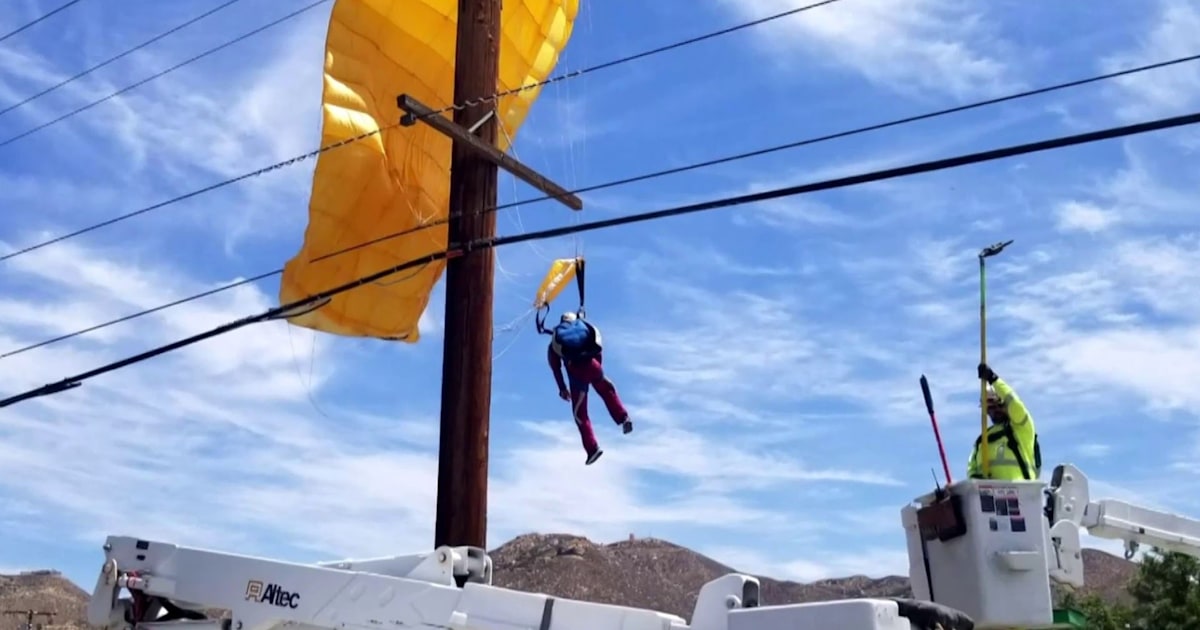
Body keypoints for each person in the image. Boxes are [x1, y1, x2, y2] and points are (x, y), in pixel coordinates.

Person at [547, 312, 633, 465]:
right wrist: (598, 370)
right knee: (608, 391)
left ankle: (592, 449)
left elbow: (556, 368)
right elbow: (598, 347)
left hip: (577, 375)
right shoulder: (584, 328)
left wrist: (562, 388)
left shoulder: (556, 340)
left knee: (580, 415)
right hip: (593, 366)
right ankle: (623, 417)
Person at [967, 362, 1041, 481]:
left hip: (1023, 495)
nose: (994, 412)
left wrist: (993, 379)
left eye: (998, 406)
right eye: (990, 408)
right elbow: (972, 468)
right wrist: (975, 479)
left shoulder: (1022, 426)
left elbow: (1014, 403)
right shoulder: (982, 440)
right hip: (990, 497)